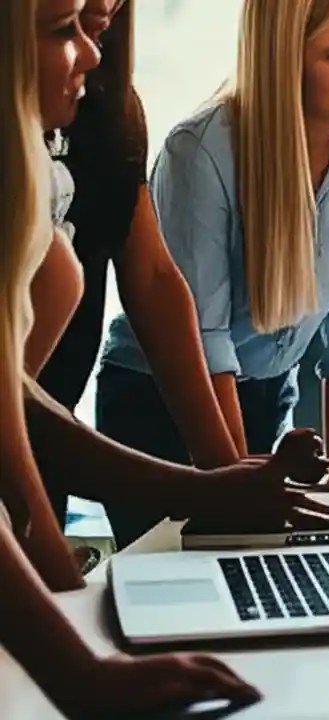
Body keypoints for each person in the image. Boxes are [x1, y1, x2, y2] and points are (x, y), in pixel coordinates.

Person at [1, 1, 262, 713]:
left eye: (97, 26)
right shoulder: (49, 257)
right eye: (65, 28)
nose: (91, 51)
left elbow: (22, 417)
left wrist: (214, 486)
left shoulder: (57, 220)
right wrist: (81, 666)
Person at [98, 0, 329, 547]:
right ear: (284, 61)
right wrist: (235, 480)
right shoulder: (200, 151)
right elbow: (205, 339)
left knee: (261, 568)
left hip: (264, 400)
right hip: (161, 408)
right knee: (182, 577)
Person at [29, 0, 243, 535]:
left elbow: (153, 278)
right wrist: (212, 488)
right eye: (63, 28)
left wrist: (223, 473)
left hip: (44, 442)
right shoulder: (56, 268)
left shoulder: (109, 107)